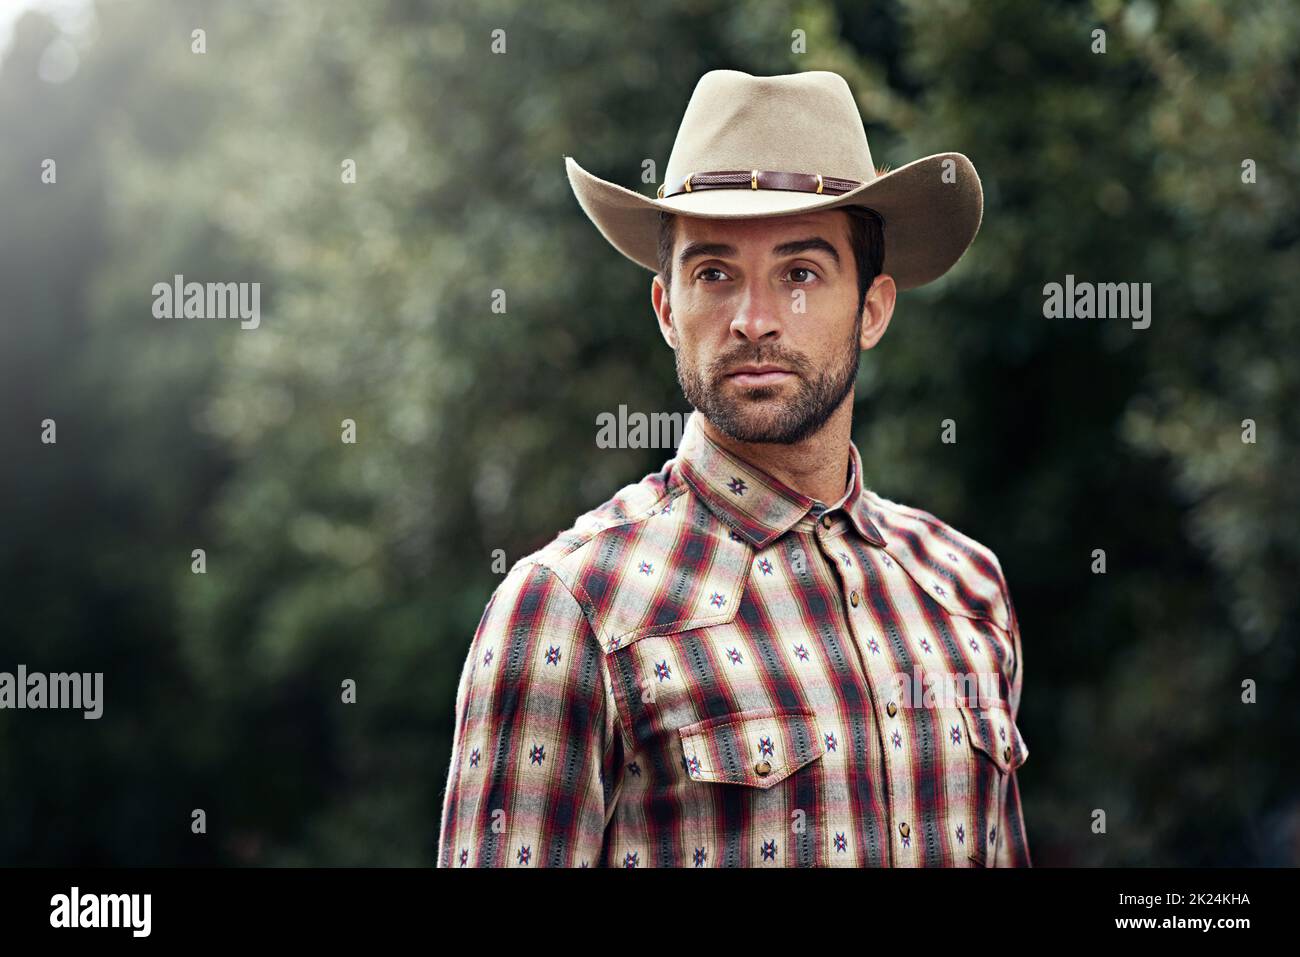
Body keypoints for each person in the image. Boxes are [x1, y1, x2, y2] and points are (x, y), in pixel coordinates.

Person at [437, 69, 1029, 867]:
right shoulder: (570, 610)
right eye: (714, 273)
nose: (754, 320)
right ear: (667, 310)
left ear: (874, 309)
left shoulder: (966, 591)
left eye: (800, 274)